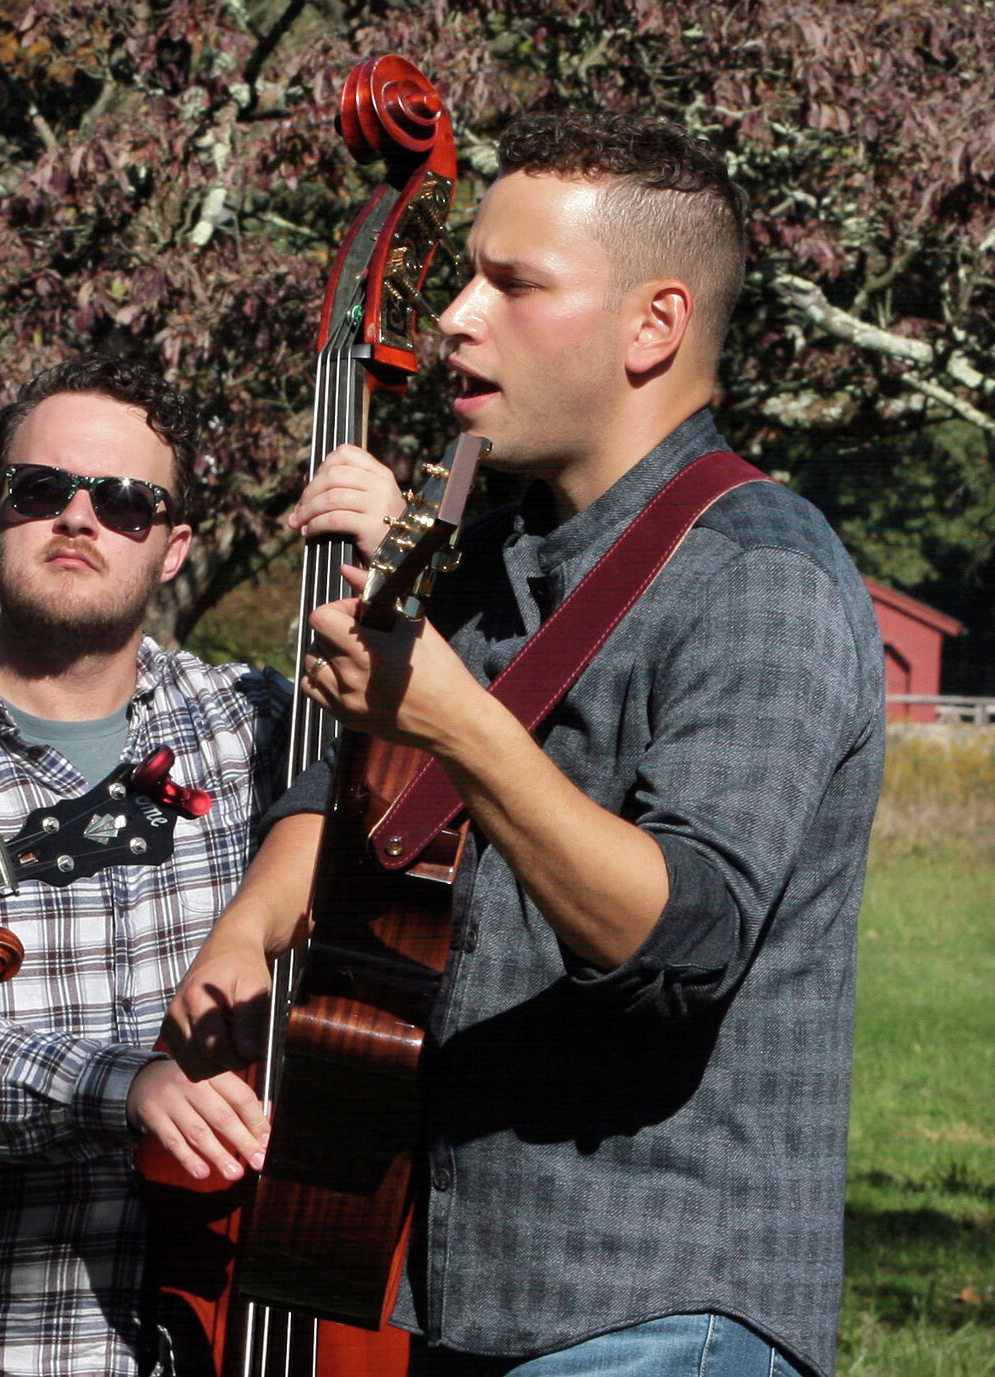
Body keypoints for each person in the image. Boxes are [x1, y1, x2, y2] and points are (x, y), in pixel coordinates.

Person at [165, 111, 882, 1377]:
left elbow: (679, 939)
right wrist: (244, 933)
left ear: (650, 327)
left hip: (659, 1309)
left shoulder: (759, 579)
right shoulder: (490, 559)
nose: (451, 314)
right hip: (462, 1294)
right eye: (461, 274)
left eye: (511, 283)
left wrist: (454, 719)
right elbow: (375, 800)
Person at [0, 355, 282, 1377]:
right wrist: (120, 1088)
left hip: (217, 1328)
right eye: (44, 491)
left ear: (172, 550)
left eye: (125, 503)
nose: (78, 519)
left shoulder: (258, 728)